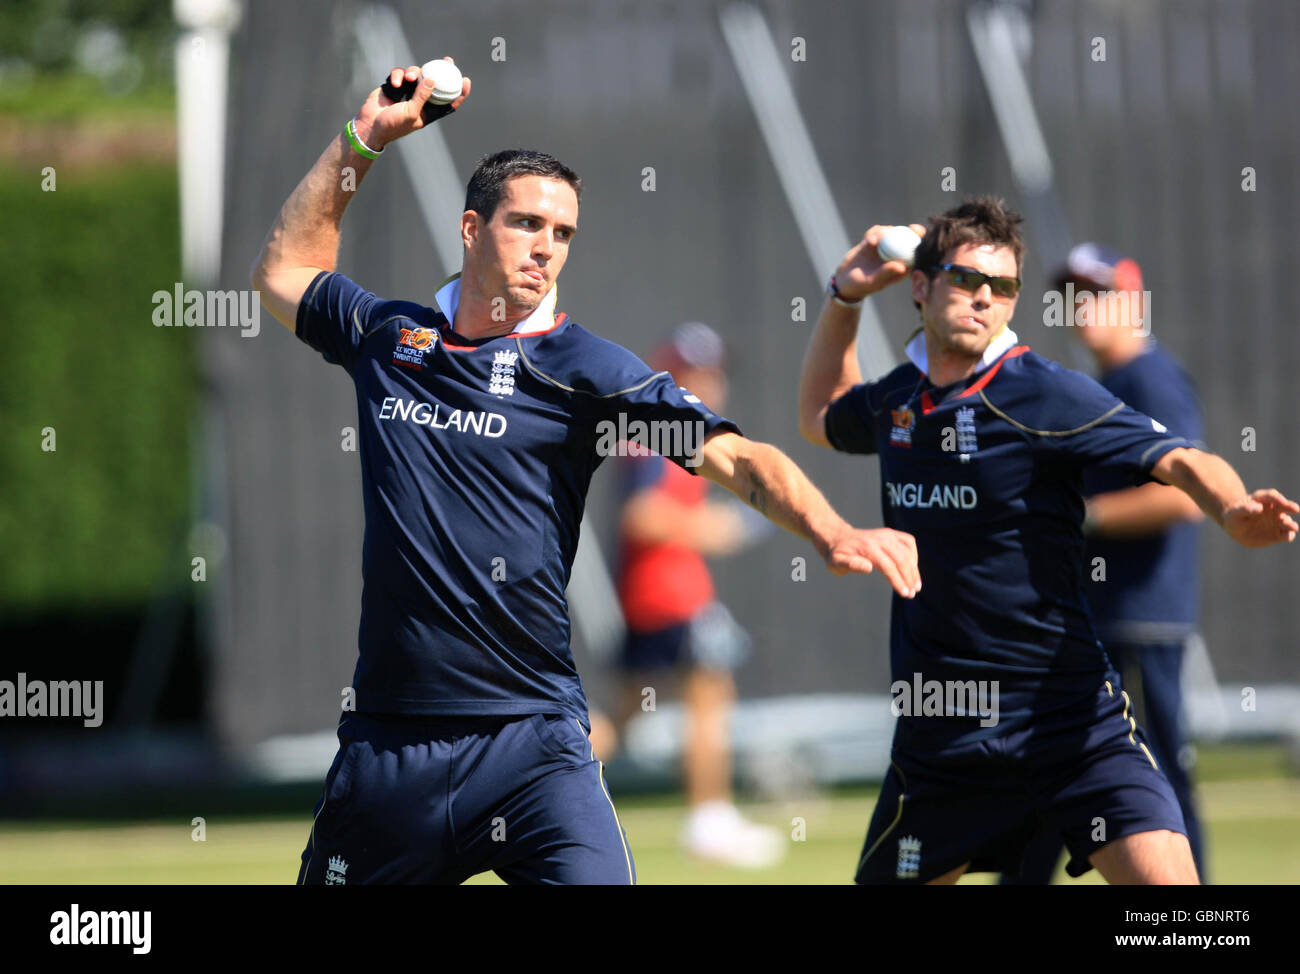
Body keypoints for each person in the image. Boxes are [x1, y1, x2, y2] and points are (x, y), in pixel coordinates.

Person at [249, 60, 920, 884]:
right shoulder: (392, 340)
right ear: (470, 228)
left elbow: (734, 455)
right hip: (393, 743)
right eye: (527, 224)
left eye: (562, 233)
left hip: (533, 743)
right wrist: (364, 141)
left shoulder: (586, 371)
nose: (546, 248)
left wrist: (830, 528)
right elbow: (284, 272)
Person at [797, 197, 1297, 885]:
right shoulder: (898, 399)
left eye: (1002, 288)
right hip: (942, 736)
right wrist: (844, 295)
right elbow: (820, 415)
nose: (984, 299)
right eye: (967, 279)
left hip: (1069, 721)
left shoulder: (1046, 393)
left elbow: (1182, 459)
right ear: (919, 285)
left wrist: (1235, 507)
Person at [1004, 244, 1209, 884]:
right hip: (1100, 616)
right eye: (1071, 294)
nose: (1081, 307)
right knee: (1056, 760)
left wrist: (1078, 515)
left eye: (1096, 293)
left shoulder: (1149, 378)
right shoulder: (1104, 383)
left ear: (1131, 297)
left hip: (1140, 618)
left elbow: (1184, 496)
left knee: (1155, 780)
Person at [604, 321, 782, 868]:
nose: (710, 385)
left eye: (713, 373)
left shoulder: (675, 435)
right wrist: (712, 529)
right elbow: (641, 517)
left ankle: (524, 786)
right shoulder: (660, 434)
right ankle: (709, 821)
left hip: (656, 593)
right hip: (668, 595)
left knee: (624, 716)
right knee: (711, 696)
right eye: (695, 374)